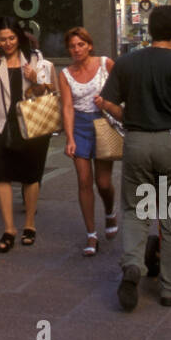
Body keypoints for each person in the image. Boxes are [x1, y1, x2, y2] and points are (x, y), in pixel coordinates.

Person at [101, 5, 171, 310]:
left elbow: (107, 102)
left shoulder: (127, 63)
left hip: (136, 142)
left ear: (149, 30)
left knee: (136, 210)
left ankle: (133, 266)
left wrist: (129, 117)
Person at [0, 15, 50, 253]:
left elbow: (46, 90)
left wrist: (34, 78)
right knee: (2, 175)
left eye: (11, 38)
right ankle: (9, 228)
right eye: (2, 39)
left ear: (19, 37)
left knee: (31, 175)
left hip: (31, 123)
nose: (8, 43)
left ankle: (30, 224)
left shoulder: (35, 58)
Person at [58, 27, 117, 256]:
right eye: (72, 46)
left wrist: (109, 102)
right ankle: (91, 234)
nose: (76, 49)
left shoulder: (105, 63)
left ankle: (110, 211)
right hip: (80, 125)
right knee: (84, 180)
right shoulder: (65, 74)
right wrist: (70, 138)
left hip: (103, 123)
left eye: (81, 44)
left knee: (103, 182)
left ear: (89, 45)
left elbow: (123, 87)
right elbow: (66, 107)